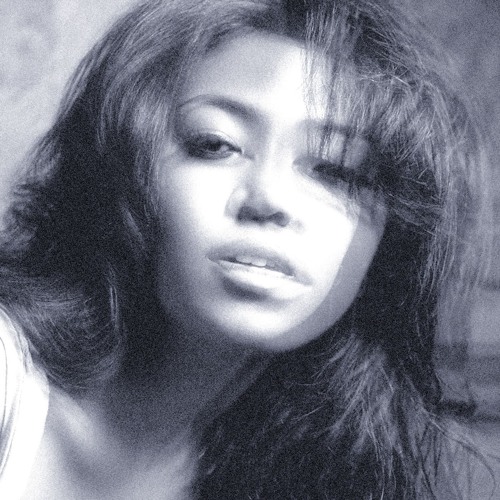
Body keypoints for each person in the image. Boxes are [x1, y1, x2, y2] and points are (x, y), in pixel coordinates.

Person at [0, 0, 490, 498]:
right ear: (122, 171)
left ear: (390, 240)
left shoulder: (324, 473)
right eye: (215, 145)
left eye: (334, 169)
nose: (269, 199)